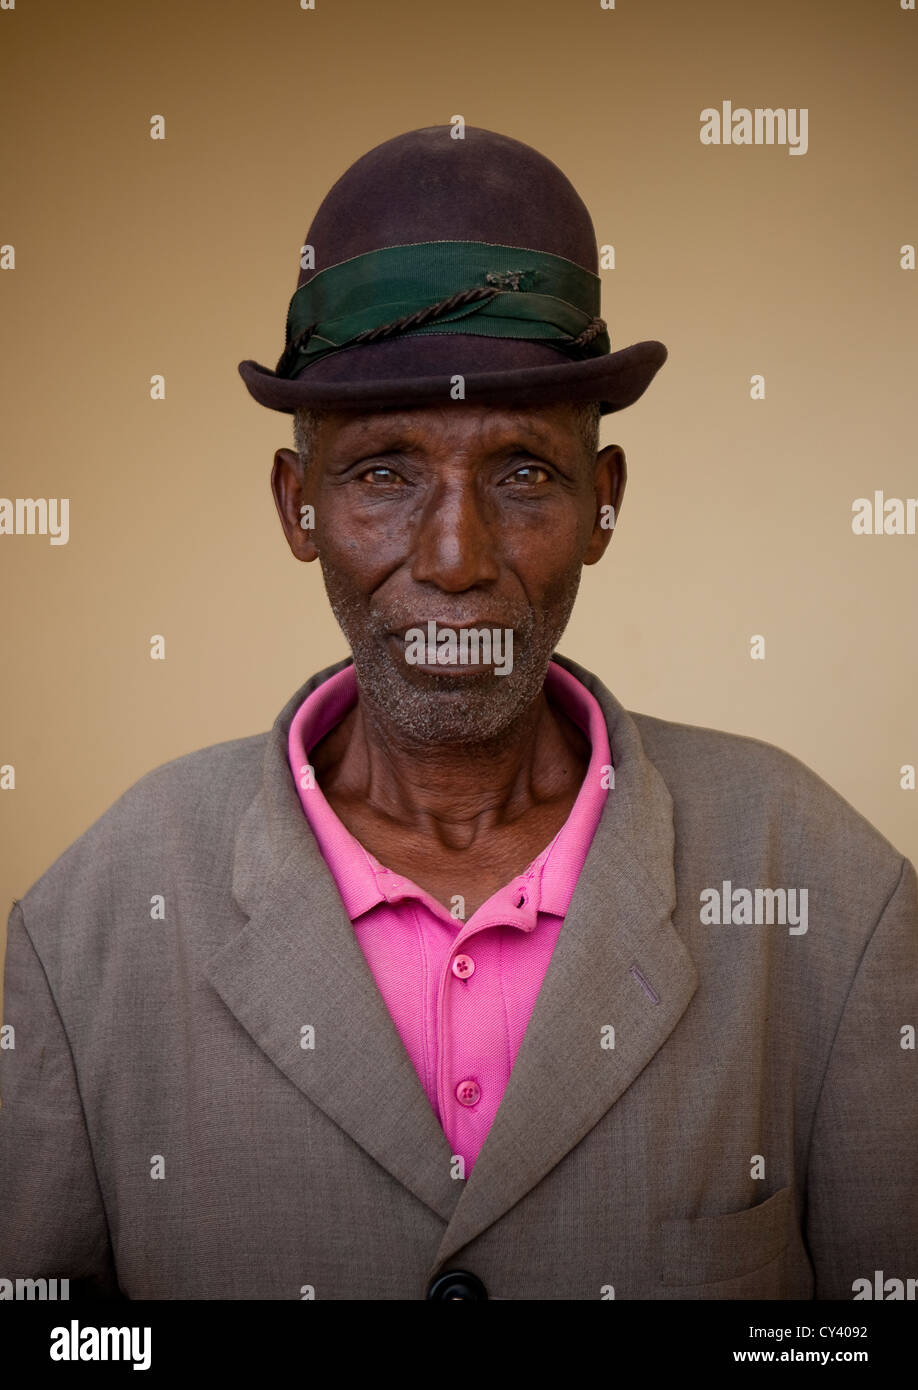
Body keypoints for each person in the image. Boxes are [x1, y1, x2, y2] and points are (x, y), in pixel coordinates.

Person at [1, 125, 915, 1302]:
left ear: (603, 504)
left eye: (523, 472)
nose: (454, 556)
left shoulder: (825, 891)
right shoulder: (92, 928)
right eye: (385, 470)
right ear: (299, 509)